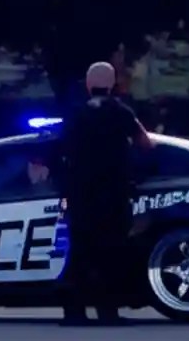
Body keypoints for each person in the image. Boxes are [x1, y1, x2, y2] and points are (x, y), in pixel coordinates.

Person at [54, 61, 153, 326]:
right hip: (113, 194)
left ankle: (74, 312)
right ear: (112, 84)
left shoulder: (76, 113)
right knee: (110, 253)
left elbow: (59, 147)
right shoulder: (121, 112)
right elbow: (146, 143)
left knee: (79, 252)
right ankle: (108, 312)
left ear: (88, 85)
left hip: (81, 195)